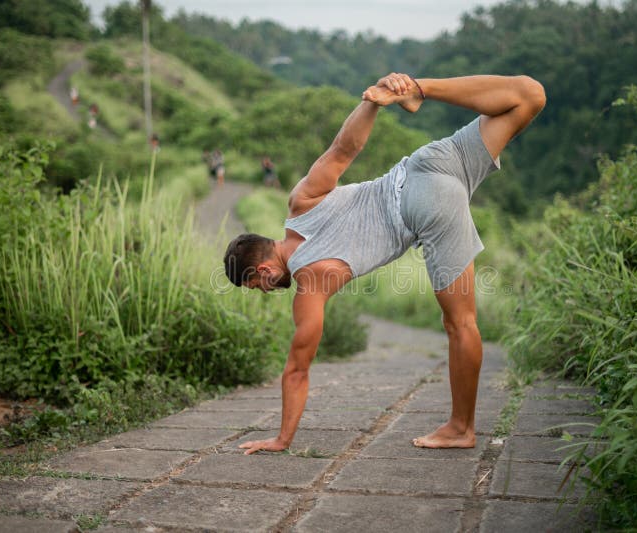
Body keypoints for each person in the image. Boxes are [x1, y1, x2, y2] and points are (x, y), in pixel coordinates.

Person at [224, 73, 545, 455]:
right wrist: (373, 101)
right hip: (425, 164)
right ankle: (421, 89)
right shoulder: (300, 202)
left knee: (460, 323)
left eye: (258, 286)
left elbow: (297, 370)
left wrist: (282, 439)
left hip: (427, 208)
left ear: (262, 271)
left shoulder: (310, 284)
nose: (266, 291)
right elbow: (345, 148)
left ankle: (461, 428)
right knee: (529, 95)